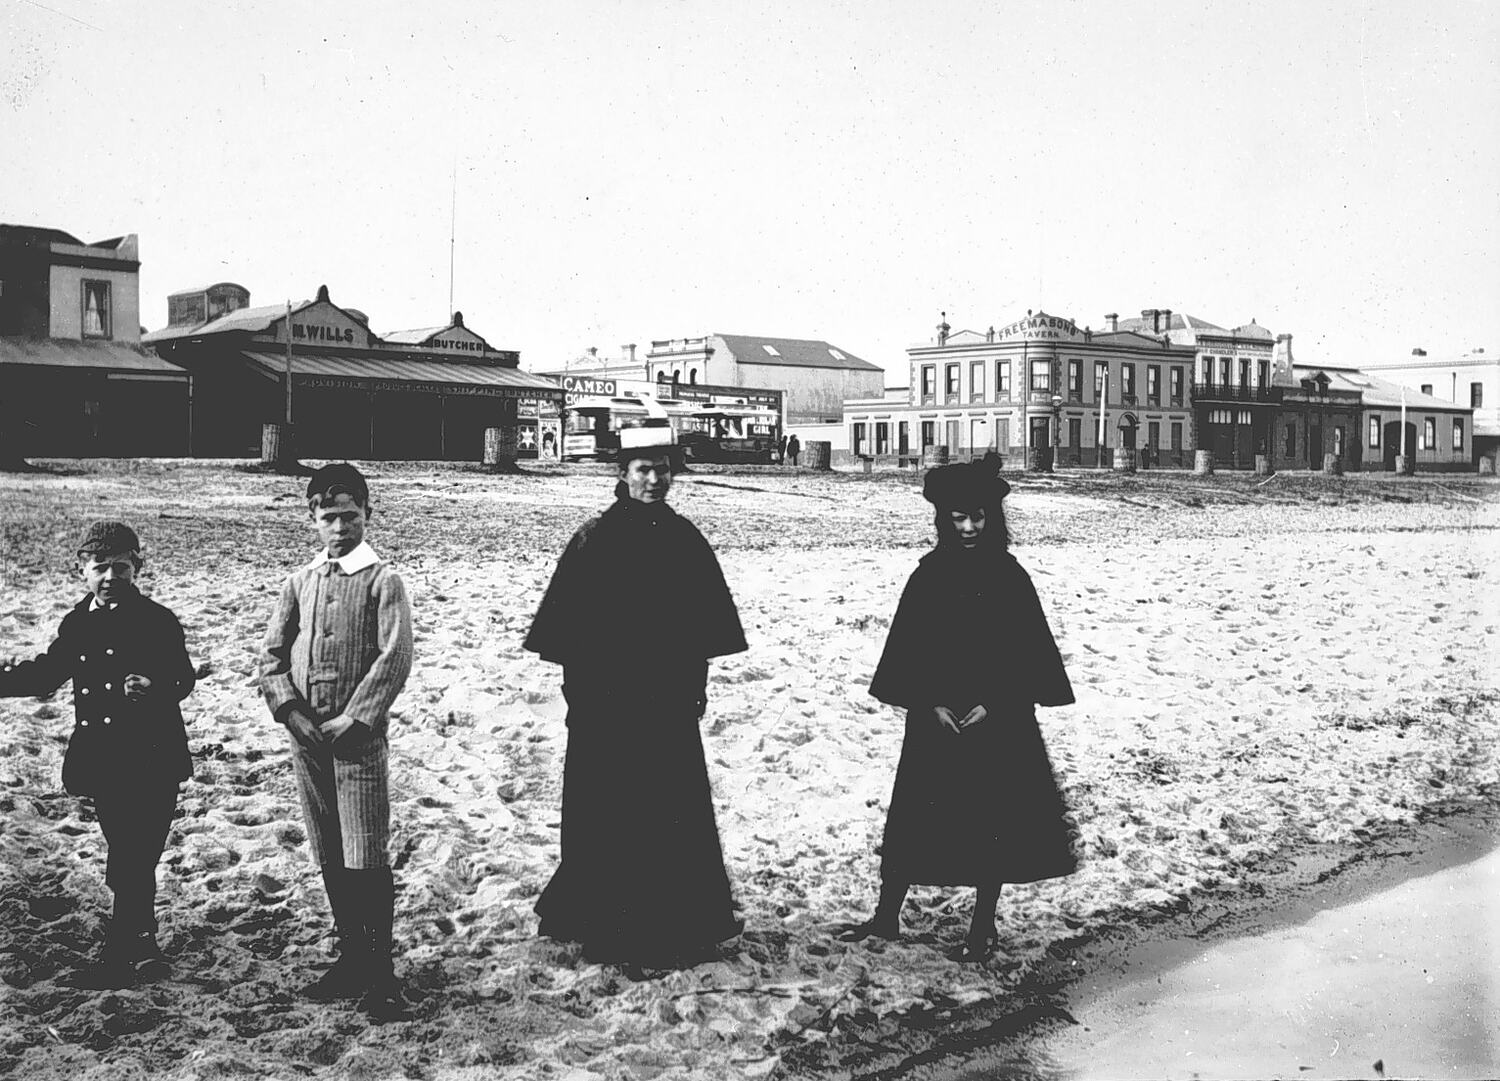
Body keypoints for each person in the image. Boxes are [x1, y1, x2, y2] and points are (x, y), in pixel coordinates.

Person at [524, 424, 747, 972]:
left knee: (669, 809)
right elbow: (569, 626)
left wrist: (696, 686)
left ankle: (678, 920)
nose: (654, 480)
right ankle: (603, 922)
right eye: (643, 470)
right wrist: (579, 692)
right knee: (607, 810)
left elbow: (703, 627)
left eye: (663, 469)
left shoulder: (685, 539)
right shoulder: (594, 538)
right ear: (621, 475)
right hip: (606, 701)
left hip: (666, 700)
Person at [839, 462, 1077, 961]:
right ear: (943, 520)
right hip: (937, 721)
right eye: (958, 518)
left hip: (997, 724)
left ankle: (982, 926)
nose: (969, 528)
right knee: (913, 820)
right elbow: (909, 650)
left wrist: (996, 704)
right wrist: (930, 702)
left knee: (992, 822)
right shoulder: (928, 577)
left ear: (993, 518)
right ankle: (886, 916)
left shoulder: (1010, 578)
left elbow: (1028, 653)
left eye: (979, 518)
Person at [0, 521, 196, 987]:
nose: (110, 577)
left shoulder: (158, 620)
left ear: (138, 569)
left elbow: (182, 677)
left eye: (122, 568)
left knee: (138, 850)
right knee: (126, 849)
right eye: (100, 567)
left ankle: (122, 948)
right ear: (80, 571)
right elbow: (48, 674)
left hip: (154, 756)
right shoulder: (77, 623)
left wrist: (156, 687)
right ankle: (141, 940)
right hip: (104, 759)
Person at [260, 463, 414, 1019]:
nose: (340, 528)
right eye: (329, 518)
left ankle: (380, 972)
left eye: (350, 516)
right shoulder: (299, 583)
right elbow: (272, 657)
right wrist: (289, 710)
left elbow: (395, 657)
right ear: (313, 520)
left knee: (364, 851)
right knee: (328, 847)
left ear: (368, 516)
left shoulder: (382, 581)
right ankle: (351, 956)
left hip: (357, 741)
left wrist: (360, 718)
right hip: (307, 741)